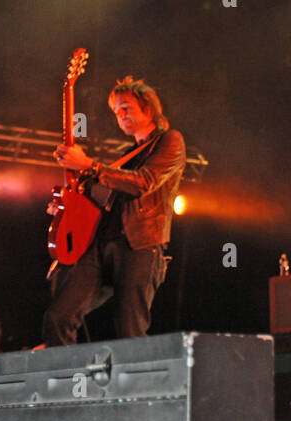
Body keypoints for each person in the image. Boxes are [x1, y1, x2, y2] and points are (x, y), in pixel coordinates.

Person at [43, 76, 185, 346]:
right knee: (58, 317)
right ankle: (64, 383)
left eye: (126, 108)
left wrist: (91, 166)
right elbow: (98, 197)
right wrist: (66, 205)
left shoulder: (170, 141)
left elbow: (145, 182)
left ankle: (135, 388)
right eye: (116, 112)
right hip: (100, 245)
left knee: (129, 330)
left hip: (140, 245)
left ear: (149, 109)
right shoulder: (126, 154)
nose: (120, 116)